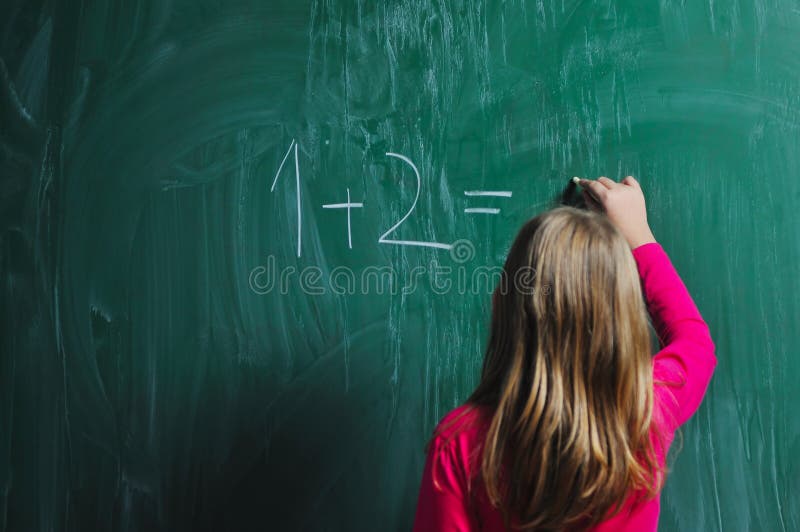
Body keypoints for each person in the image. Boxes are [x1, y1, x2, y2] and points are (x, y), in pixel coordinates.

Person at [412, 176, 717, 531]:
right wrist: (639, 235)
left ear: (503, 305)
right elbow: (695, 342)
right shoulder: (643, 414)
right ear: (623, 317)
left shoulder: (461, 444)